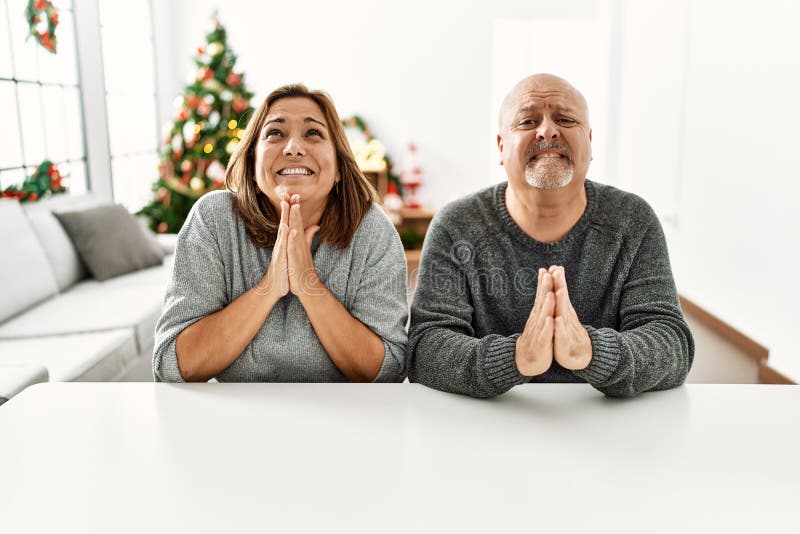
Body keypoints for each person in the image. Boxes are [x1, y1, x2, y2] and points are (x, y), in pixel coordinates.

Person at [408, 73, 694, 398]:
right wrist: (517, 357)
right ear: (501, 147)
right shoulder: (456, 225)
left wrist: (589, 351)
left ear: (589, 142)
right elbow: (425, 348)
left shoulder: (632, 221)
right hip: (489, 427)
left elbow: (672, 345)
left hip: (607, 431)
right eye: (528, 121)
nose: (547, 130)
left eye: (565, 118)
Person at [153, 84, 408, 383]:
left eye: (313, 133)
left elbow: (389, 369)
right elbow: (173, 364)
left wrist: (307, 284)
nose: (293, 148)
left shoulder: (371, 229)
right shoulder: (214, 219)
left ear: (339, 167)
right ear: (251, 163)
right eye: (275, 133)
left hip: (342, 419)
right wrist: (271, 285)